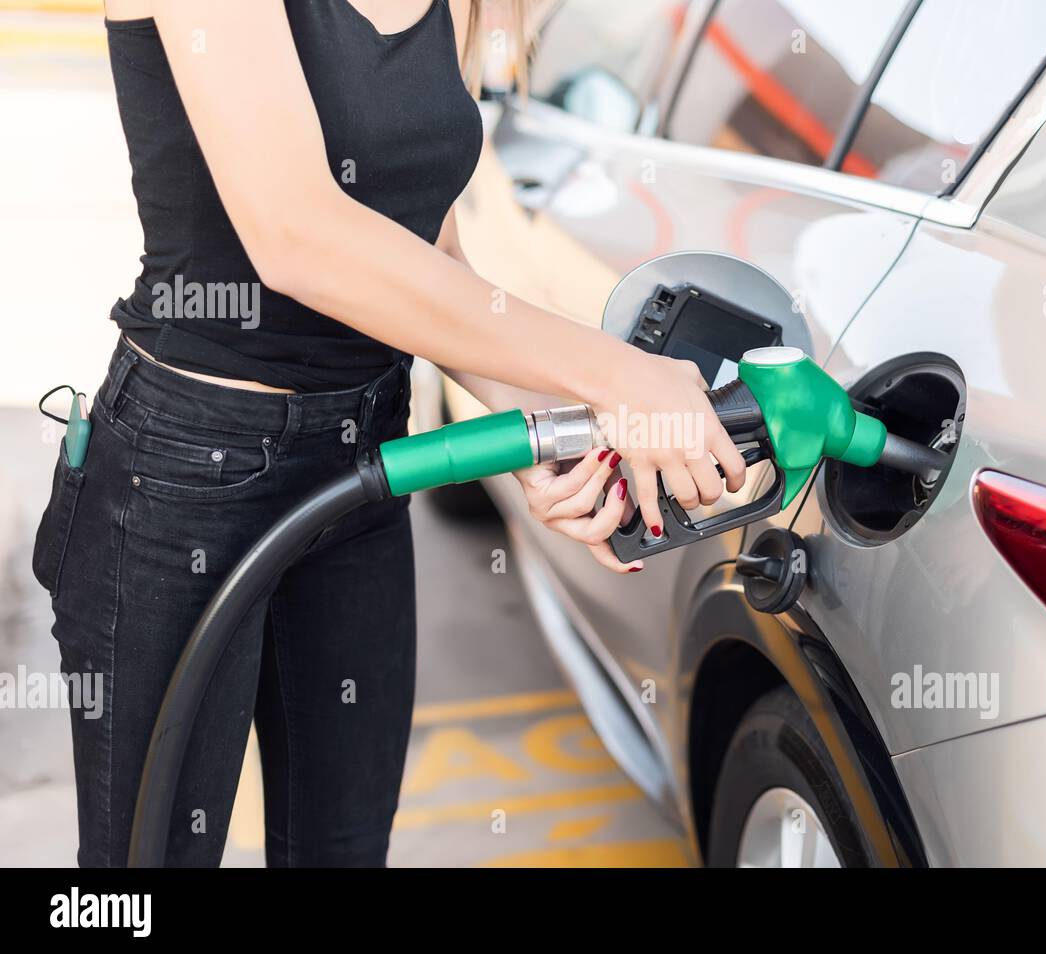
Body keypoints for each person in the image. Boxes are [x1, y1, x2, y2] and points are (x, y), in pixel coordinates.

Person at [32, 0, 744, 867]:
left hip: (366, 456)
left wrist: (535, 424)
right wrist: (612, 373)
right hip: (183, 472)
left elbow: (427, 251)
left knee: (344, 851)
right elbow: (297, 233)